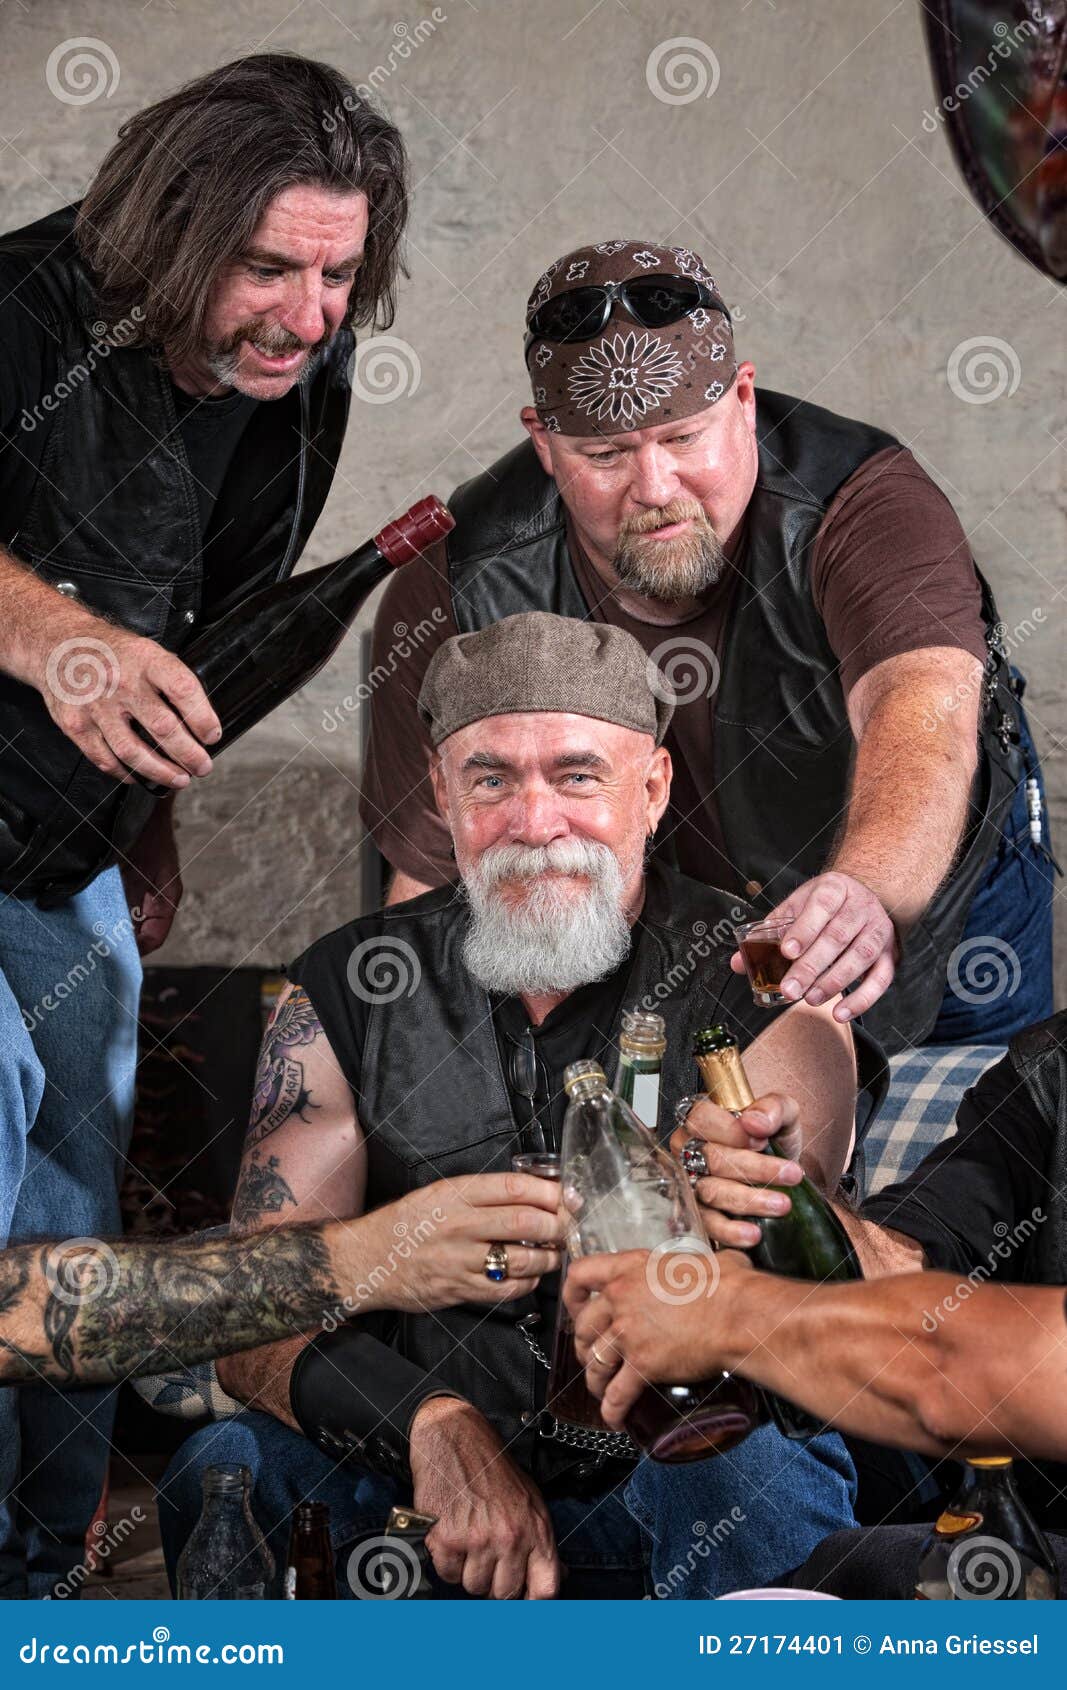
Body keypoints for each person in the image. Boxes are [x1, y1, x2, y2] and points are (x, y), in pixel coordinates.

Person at [158, 612, 876, 1601]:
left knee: (746, 1472)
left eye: (576, 775)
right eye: (490, 778)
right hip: (428, 1514)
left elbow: (814, 1210)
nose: (534, 823)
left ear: (652, 789)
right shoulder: (345, 984)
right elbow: (253, 1310)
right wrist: (429, 1421)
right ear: (442, 796)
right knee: (229, 1471)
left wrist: (748, 1170)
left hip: (674, 1480)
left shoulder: (760, 961)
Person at [0, 52, 408, 1595]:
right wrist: (48, 632)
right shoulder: (21, 309)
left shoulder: (303, 381)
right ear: (171, 232)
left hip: (65, 866)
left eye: (340, 273)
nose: (309, 315)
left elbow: (220, 632)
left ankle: (37, 1570)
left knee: (70, 1219)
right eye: (269, 266)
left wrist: (149, 824)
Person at [359, 237, 1054, 1056]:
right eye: (605, 454)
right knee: (702, 1131)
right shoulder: (458, 581)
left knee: (979, 1133)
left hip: (919, 867)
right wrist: (413, 1071)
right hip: (688, 917)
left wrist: (864, 891)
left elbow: (922, 713)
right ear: (543, 445)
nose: (654, 489)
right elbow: (426, 880)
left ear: (744, 401)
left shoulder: (864, 503)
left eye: (683, 438)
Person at [565, 1006, 1067, 1594]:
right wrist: (775, 1187)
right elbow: (922, 1264)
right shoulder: (1051, 1065)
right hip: (992, 1493)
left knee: (874, 1569)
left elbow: (1005, 1364)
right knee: (733, 1421)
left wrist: (733, 1314)